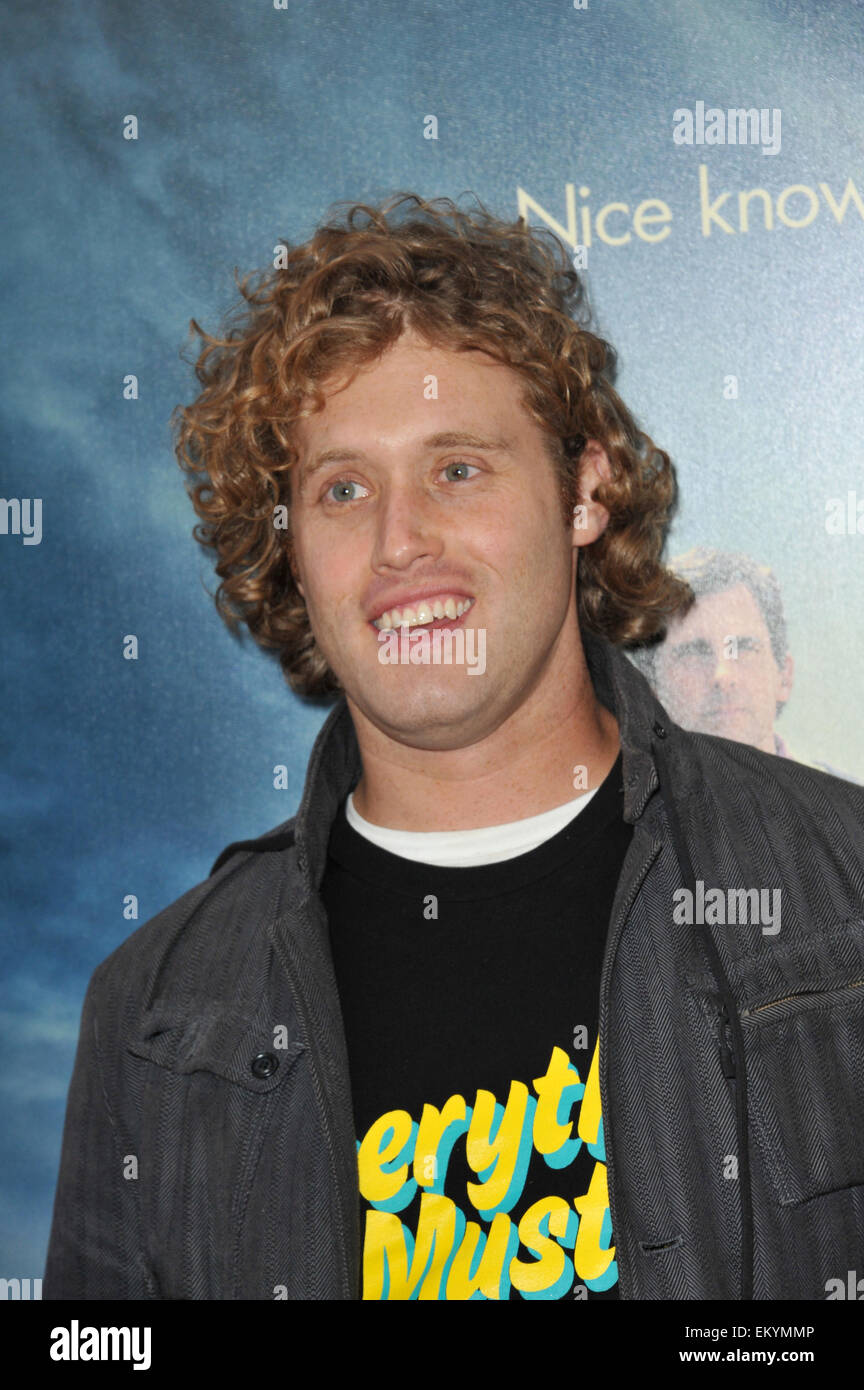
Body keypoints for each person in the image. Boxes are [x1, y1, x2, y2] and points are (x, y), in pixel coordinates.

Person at [44, 193, 864, 1301]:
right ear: (291, 555)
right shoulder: (156, 1016)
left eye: (458, 468)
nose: (399, 541)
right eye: (342, 489)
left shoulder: (840, 888)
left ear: (585, 489)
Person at [631, 547, 858, 780]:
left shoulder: (854, 811)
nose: (723, 674)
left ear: (783, 676)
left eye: (743, 648)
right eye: (695, 653)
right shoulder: (620, 810)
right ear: (653, 690)